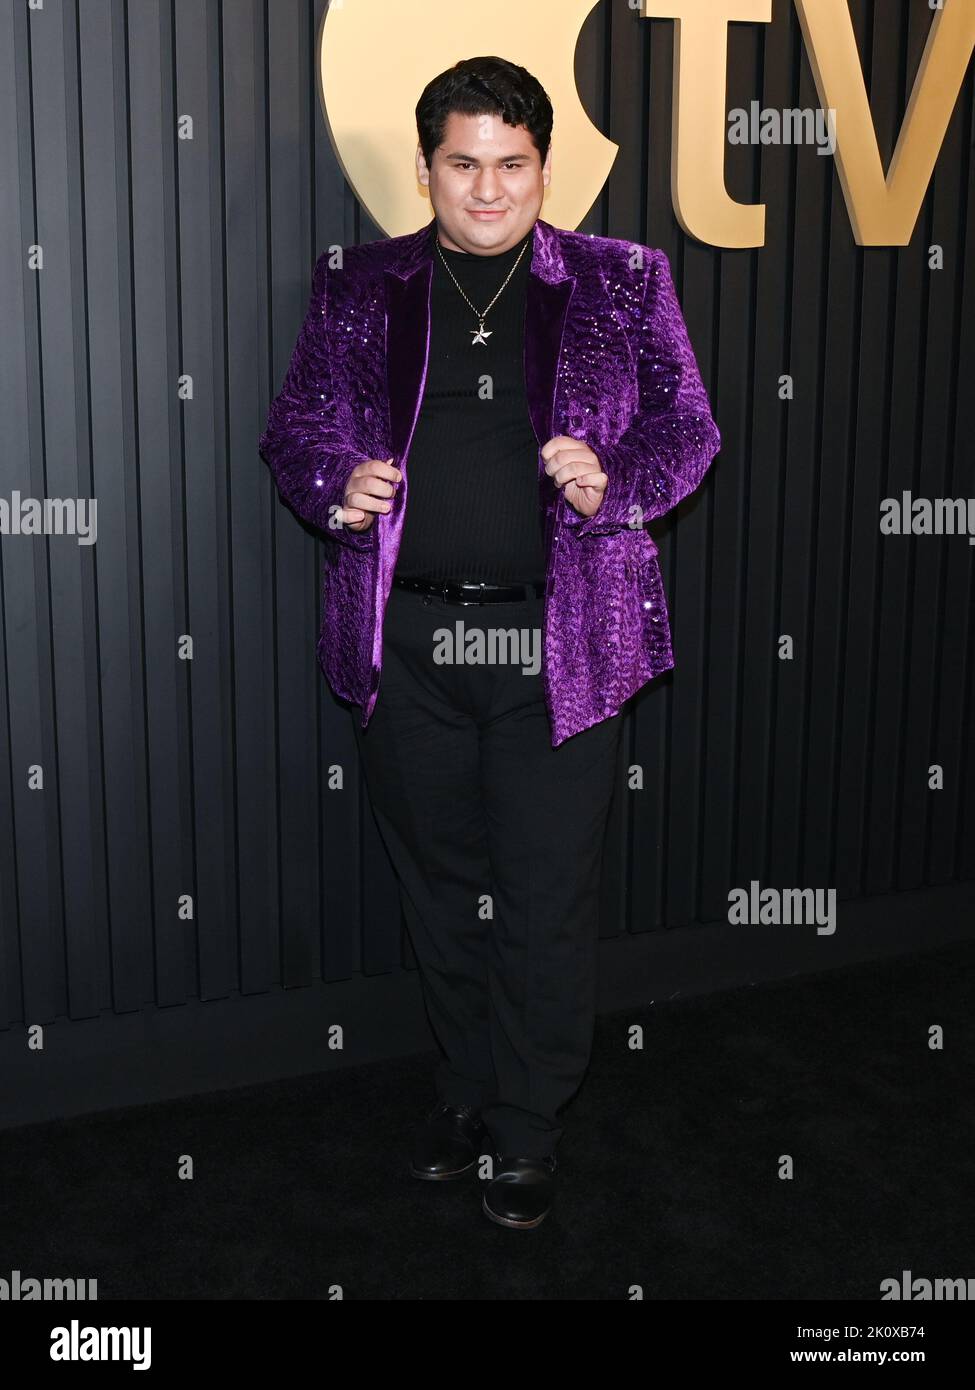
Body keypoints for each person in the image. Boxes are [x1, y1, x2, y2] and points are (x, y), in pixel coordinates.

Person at [259, 56, 721, 1229]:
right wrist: (334, 479)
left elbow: (690, 428)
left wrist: (614, 483)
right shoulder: (359, 286)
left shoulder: (621, 281)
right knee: (439, 891)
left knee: (543, 898)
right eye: (463, 163)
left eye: (512, 164)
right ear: (425, 168)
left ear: (541, 167)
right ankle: (464, 1096)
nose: (487, 188)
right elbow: (296, 424)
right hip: (406, 642)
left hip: (558, 647)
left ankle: (527, 1127)